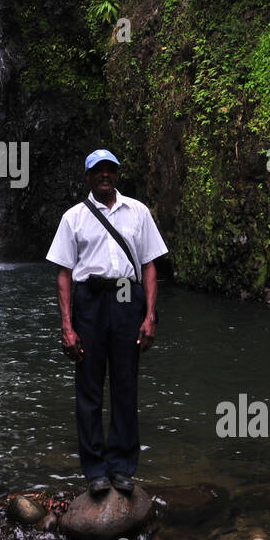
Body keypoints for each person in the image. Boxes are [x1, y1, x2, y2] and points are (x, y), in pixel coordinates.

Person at [46, 149, 168, 496]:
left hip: (128, 299)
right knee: (89, 389)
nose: (104, 176)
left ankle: (123, 468)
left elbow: (149, 267)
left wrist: (149, 316)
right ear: (88, 177)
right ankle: (95, 470)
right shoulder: (73, 218)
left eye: (110, 170)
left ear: (117, 174)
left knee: (126, 387)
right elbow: (64, 275)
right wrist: (67, 326)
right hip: (90, 300)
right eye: (98, 171)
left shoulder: (138, 213)